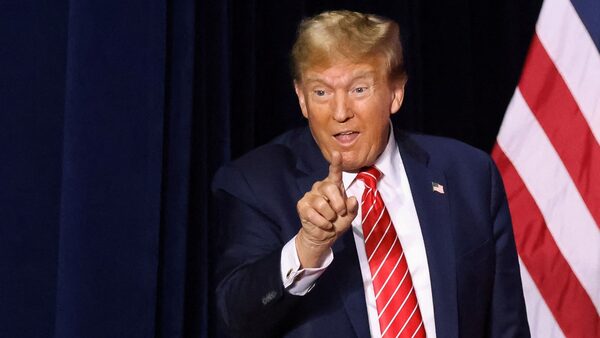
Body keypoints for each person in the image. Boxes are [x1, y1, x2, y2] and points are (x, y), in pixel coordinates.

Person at [212, 10, 529, 338]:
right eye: (321, 92)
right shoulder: (255, 183)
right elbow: (236, 317)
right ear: (301, 98)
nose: (340, 112)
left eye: (359, 89)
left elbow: (506, 325)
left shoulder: (468, 175)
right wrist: (308, 247)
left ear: (395, 93)